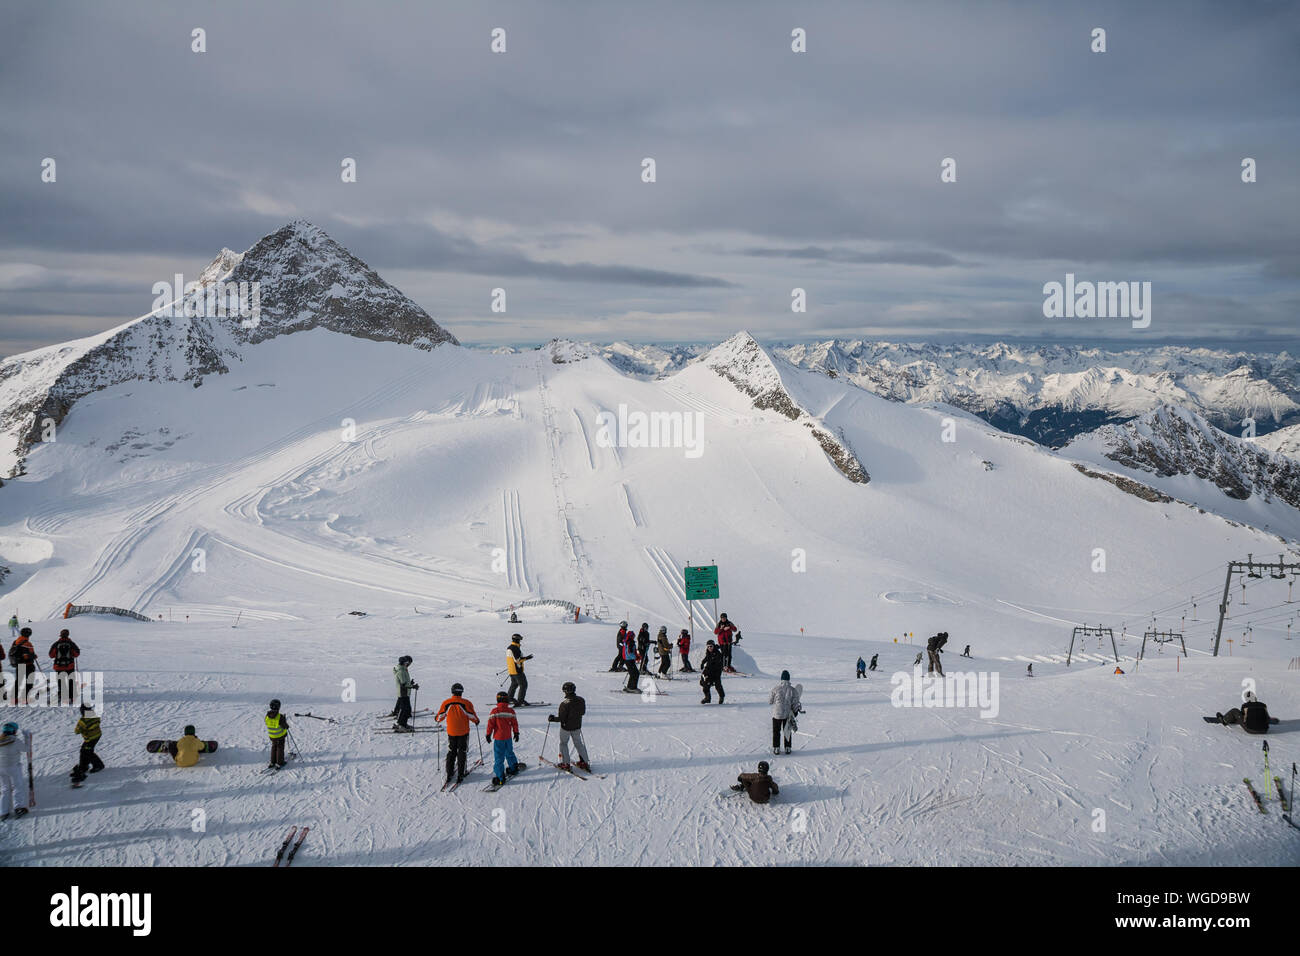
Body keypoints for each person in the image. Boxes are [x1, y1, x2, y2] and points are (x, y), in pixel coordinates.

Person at [436, 683, 480, 784]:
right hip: (463, 732)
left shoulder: (446, 703)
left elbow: (439, 717)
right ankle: (461, 773)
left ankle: (449, 772)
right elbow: (471, 716)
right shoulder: (466, 703)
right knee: (462, 751)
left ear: (452, 691)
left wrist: (437, 719)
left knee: (452, 750)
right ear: (461, 692)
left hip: (451, 731)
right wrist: (476, 721)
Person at [548, 681, 591, 772]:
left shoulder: (564, 704)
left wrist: (552, 719)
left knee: (563, 743)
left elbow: (562, 718)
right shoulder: (581, 700)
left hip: (566, 728)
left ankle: (565, 763)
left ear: (565, 691)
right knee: (578, 743)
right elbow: (582, 712)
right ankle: (585, 762)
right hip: (577, 726)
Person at [486, 691, 524, 786]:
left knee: (499, 757)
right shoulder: (511, 711)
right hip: (508, 737)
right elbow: (515, 723)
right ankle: (513, 768)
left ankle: (500, 778)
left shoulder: (495, 711)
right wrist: (516, 733)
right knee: (509, 752)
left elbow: (490, 724)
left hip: (499, 738)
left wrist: (488, 734)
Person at [769, 670, 802, 754]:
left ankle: (776, 748)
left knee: (776, 731)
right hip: (787, 714)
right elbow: (795, 703)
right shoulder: (793, 690)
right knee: (787, 731)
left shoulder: (775, 689)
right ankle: (787, 748)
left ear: (781, 679)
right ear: (789, 679)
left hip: (777, 714)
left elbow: (770, 701)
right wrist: (795, 711)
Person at [70, 704, 104, 783]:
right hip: (97, 735)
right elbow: (98, 721)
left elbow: (77, 731)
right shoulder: (94, 715)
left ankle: (98, 765)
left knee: (87, 752)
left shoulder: (83, 720)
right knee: (84, 751)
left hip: (90, 738)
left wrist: (84, 729)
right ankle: (83, 766)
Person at [49, 628, 81, 706]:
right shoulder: (71, 643)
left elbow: (51, 655)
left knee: (61, 682)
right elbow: (76, 654)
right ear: (68, 635)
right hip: (69, 666)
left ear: (60, 635)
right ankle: (72, 697)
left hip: (58, 666)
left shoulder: (56, 643)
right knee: (71, 681)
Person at [0, 722, 22, 819]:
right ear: (13, 731)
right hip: (13, 767)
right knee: (17, 786)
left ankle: (3, 811)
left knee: (5, 789)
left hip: (1, 767)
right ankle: (18, 808)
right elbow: (26, 749)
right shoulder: (15, 741)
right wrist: (27, 738)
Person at [8, 629, 37, 702]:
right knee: (29, 681)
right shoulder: (27, 643)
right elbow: (28, 656)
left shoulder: (15, 642)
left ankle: (14, 698)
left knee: (18, 681)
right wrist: (33, 656)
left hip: (19, 664)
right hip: (28, 665)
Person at [391, 655, 417, 730]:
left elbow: (405, 682)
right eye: (409, 663)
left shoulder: (403, 670)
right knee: (405, 710)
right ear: (405, 662)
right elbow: (404, 684)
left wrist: (411, 683)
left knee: (406, 709)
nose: (409, 665)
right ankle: (401, 725)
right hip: (403, 693)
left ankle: (403, 724)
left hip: (404, 692)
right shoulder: (401, 671)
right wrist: (413, 686)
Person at [506, 634, 532, 706]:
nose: (520, 641)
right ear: (517, 640)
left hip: (512, 670)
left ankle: (509, 698)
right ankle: (520, 700)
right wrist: (527, 658)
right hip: (517, 671)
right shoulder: (514, 648)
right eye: (520, 639)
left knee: (514, 684)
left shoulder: (510, 647)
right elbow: (518, 660)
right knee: (523, 685)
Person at [265, 699, 290, 770]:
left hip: (272, 736)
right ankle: (279, 762)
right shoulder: (280, 717)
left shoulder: (267, 716)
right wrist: (284, 720)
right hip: (280, 736)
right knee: (280, 748)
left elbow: (268, 723)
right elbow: (285, 726)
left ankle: (273, 761)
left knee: (274, 747)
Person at [700, 640, 725, 705]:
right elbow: (706, 658)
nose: (709, 648)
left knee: (718, 685)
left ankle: (721, 696)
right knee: (705, 684)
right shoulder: (708, 652)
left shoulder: (717, 654)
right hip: (708, 671)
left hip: (716, 671)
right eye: (708, 646)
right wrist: (702, 663)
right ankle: (707, 698)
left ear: (713, 646)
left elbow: (716, 665)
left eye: (711, 646)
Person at [621, 624, 640, 692]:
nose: (634, 637)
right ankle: (632, 688)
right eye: (633, 636)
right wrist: (636, 657)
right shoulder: (629, 642)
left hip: (629, 660)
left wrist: (636, 656)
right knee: (635, 673)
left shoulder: (628, 641)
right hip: (629, 660)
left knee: (634, 673)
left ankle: (630, 687)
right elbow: (629, 653)